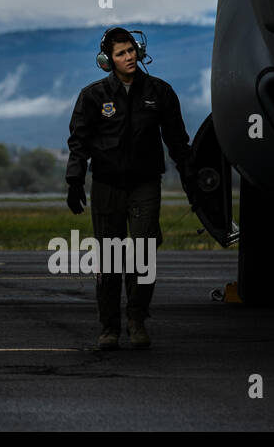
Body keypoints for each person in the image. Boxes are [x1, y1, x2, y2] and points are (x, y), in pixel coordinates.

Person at [65, 27, 194, 350]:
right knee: (110, 259)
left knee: (142, 253)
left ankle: (137, 318)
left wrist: (191, 175)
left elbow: (177, 140)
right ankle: (109, 328)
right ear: (108, 60)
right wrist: (74, 180)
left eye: (131, 50)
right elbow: (79, 142)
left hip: (145, 183)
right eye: (121, 53)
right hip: (107, 185)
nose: (129, 57)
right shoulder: (93, 96)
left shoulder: (160, 92)